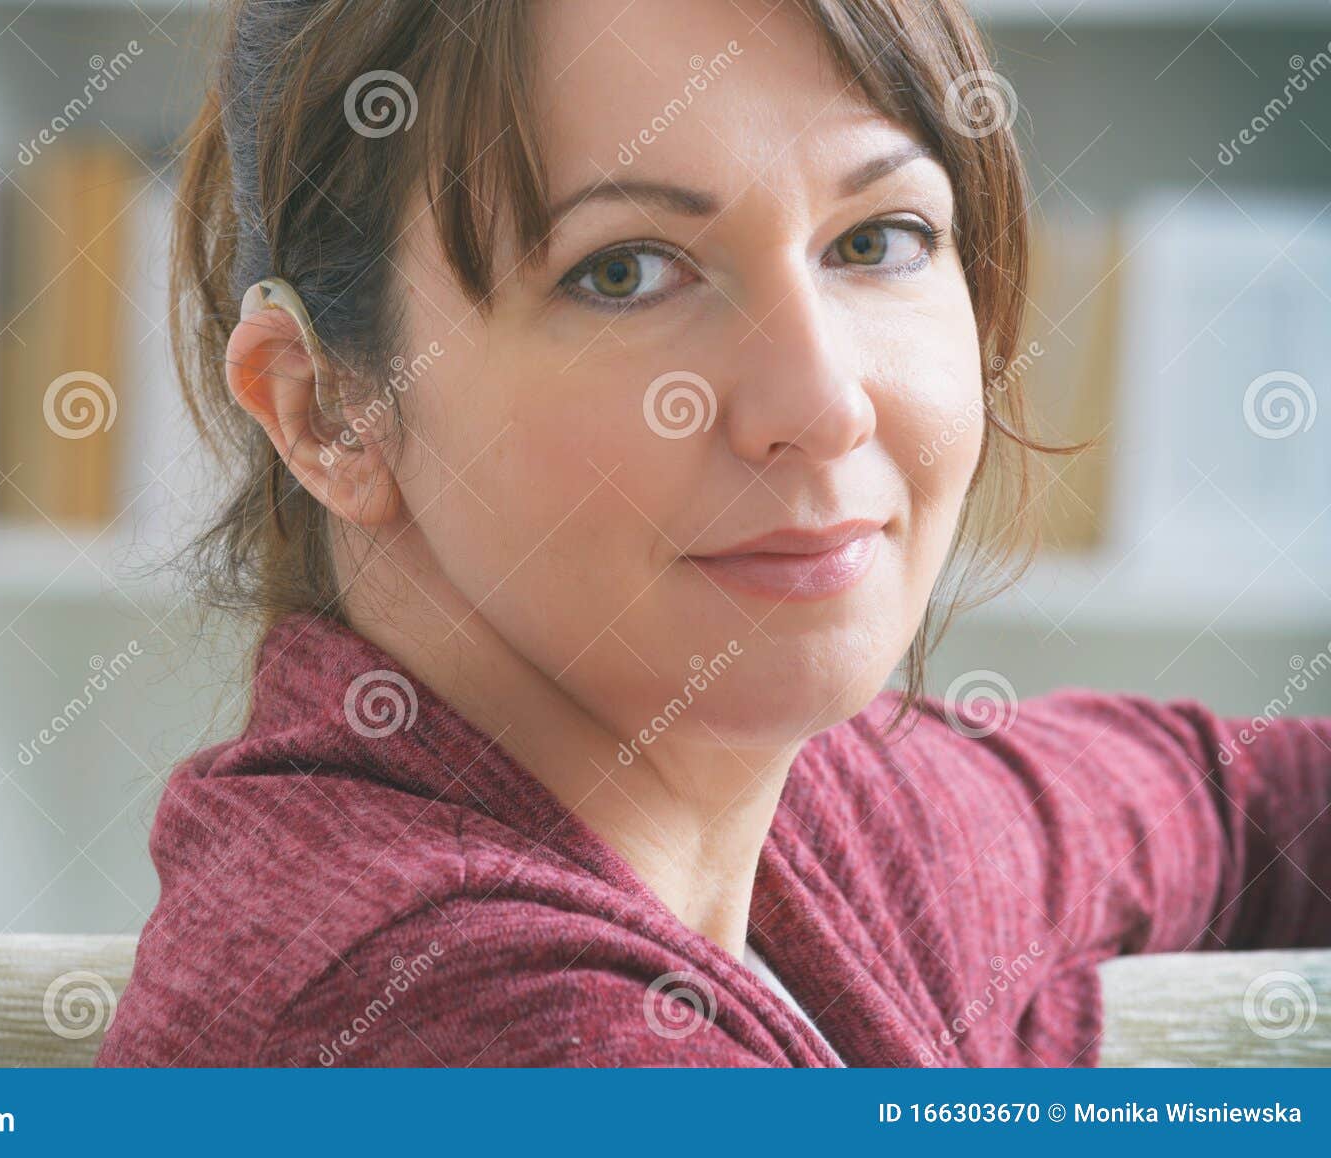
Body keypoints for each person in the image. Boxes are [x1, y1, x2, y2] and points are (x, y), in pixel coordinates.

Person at [95, 0, 1331, 1067]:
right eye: (624, 273)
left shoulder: (834, 825)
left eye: (877, 241)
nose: (823, 404)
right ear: (328, 413)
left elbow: (1248, 799)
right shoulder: (470, 1024)